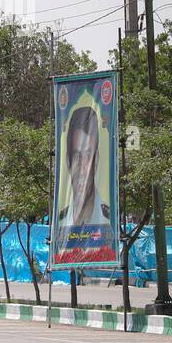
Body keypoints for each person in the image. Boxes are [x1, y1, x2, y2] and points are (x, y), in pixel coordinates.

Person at [54, 104, 113, 262]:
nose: (82, 168)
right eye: (76, 156)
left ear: (96, 161)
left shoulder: (109, 220)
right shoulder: (60, 222)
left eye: (88, 156)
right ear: (67, 161)